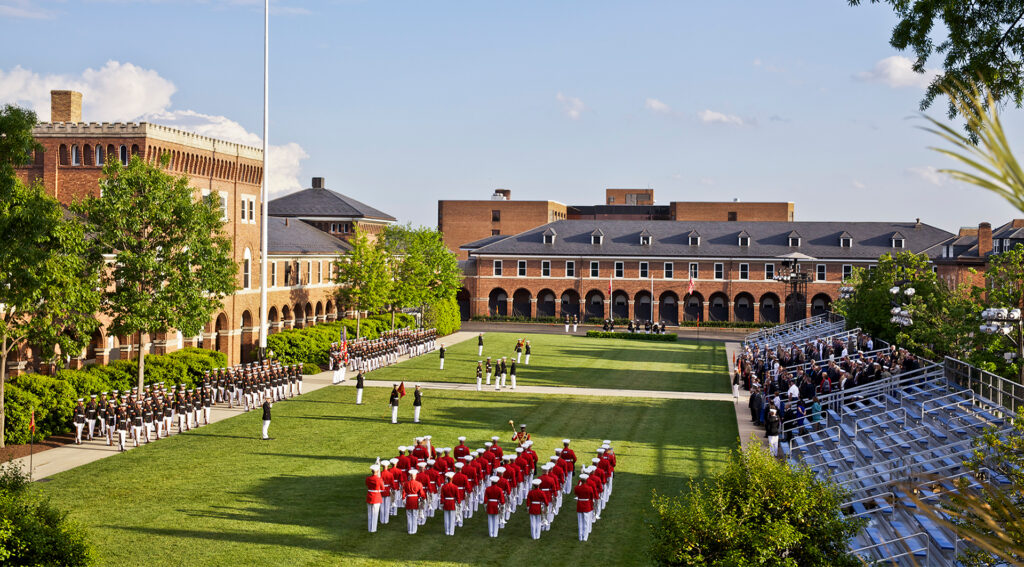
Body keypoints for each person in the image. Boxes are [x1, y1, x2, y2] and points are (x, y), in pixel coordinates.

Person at [575, 473, 595, 541]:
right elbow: (592, 497)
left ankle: (580, 537)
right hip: (587, 505)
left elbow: (576, 493)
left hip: (580, 505)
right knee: (586, 522)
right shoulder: (589, 488)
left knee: (580, 522)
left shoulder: (577, 487)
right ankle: (585, 537)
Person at [366, 463, 385, 533]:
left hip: (369, 496)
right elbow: (383, 488)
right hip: (376, 497)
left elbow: (367, 484)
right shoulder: (379, 479)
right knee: (375, 513)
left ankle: (369, 528)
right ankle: (373, 529)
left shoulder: (368, 478)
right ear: (377, 471)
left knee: (370, 513)